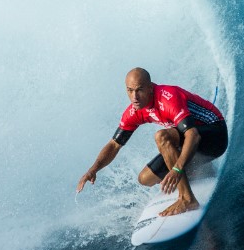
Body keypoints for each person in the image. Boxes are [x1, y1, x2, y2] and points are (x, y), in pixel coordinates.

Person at [76, 67, 228, 216]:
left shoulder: (168, 97)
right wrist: (93, 169)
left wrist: (177, 169)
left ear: (150, 88)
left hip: (215, 135)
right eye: (130, 90)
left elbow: (193, 135)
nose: (134, 96)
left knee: (162, 136)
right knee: (145, 178)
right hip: (193, 145)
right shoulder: (134, 111)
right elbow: (114, 145)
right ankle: (199, 169)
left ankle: (188, 199)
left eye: (139, 90)